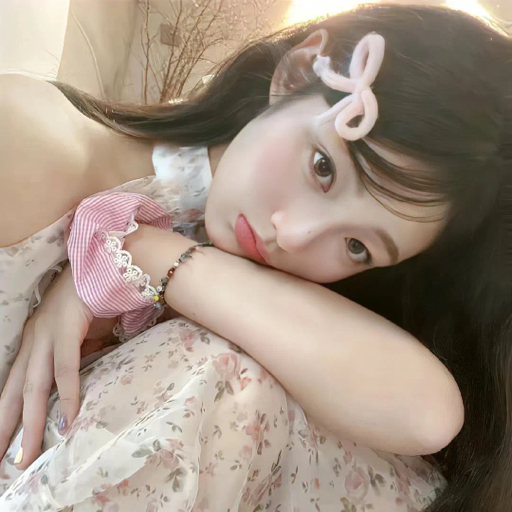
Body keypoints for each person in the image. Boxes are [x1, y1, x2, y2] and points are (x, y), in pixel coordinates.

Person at [0, 3, 510, 510]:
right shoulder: (40, 147)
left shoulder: (301, 319)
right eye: (323, 167)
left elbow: (428, 414)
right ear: (297, 72)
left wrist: (147, 252)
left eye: (357, 246)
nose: (294, 235)